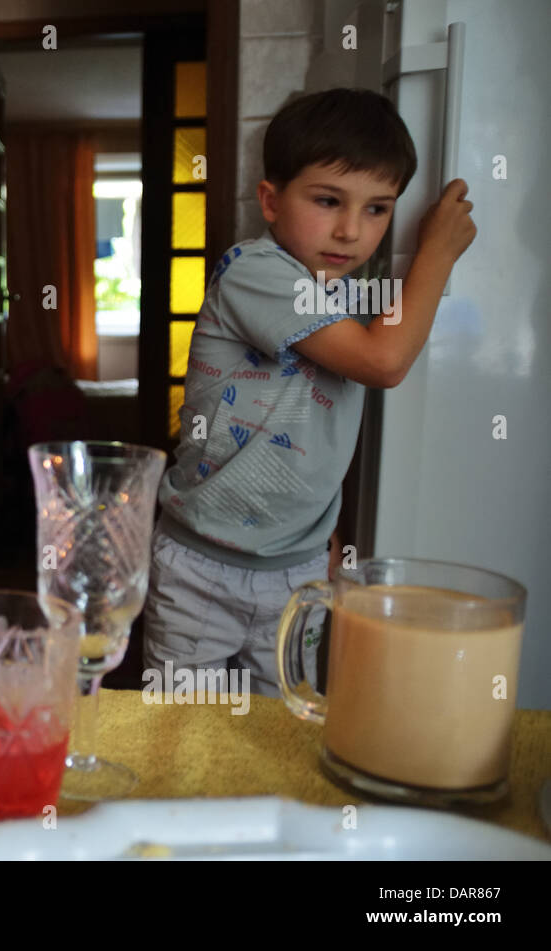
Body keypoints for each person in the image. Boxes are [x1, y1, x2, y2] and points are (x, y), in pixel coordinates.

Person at [142, 88, 476, 695]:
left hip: (299, 570)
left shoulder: (350, 295)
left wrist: (324, 534)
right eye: (328, 201)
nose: (351, 230)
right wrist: (438, 253)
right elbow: (385, 362)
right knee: (182, 732)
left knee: (285, 732)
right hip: (203, 568)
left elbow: (310, 430)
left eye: (378, 209)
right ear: (271, 200)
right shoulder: (254, 271)